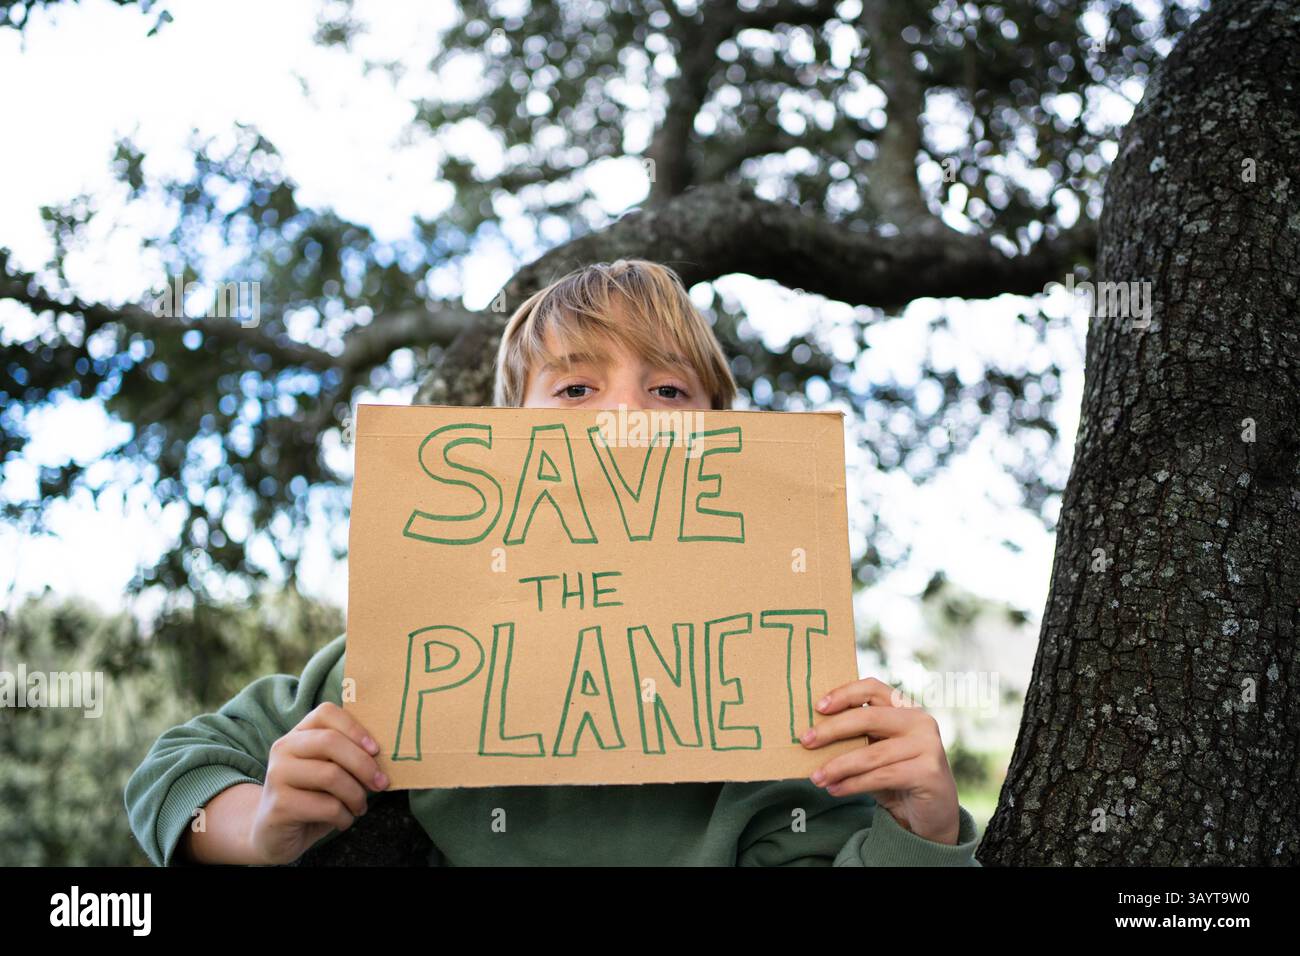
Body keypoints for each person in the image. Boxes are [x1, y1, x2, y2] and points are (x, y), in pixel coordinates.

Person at [124, 259, 983, 866]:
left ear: (729, 445)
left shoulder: (790, 710)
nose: (625, 418)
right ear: (507, 443)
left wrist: (925, 834)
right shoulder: (401, 666)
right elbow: (177, 768)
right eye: (575, 389)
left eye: (669, 390)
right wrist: (260, 825)